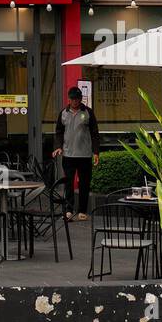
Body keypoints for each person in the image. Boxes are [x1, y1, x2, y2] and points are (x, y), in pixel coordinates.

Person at [52, 87, 100, 221]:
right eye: (73, 99)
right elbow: (59, 132)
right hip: (68, 155)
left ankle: (82, 210)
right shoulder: (63, 113)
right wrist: (58, 147)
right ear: (69, 99)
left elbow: (95, 133)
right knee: (68, 183)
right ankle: (68, 209)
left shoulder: (88, 112)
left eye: (77, 99)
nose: (75, 102)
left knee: (84, 184)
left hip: (84, 155)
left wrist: (96, 152)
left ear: (80, 99)